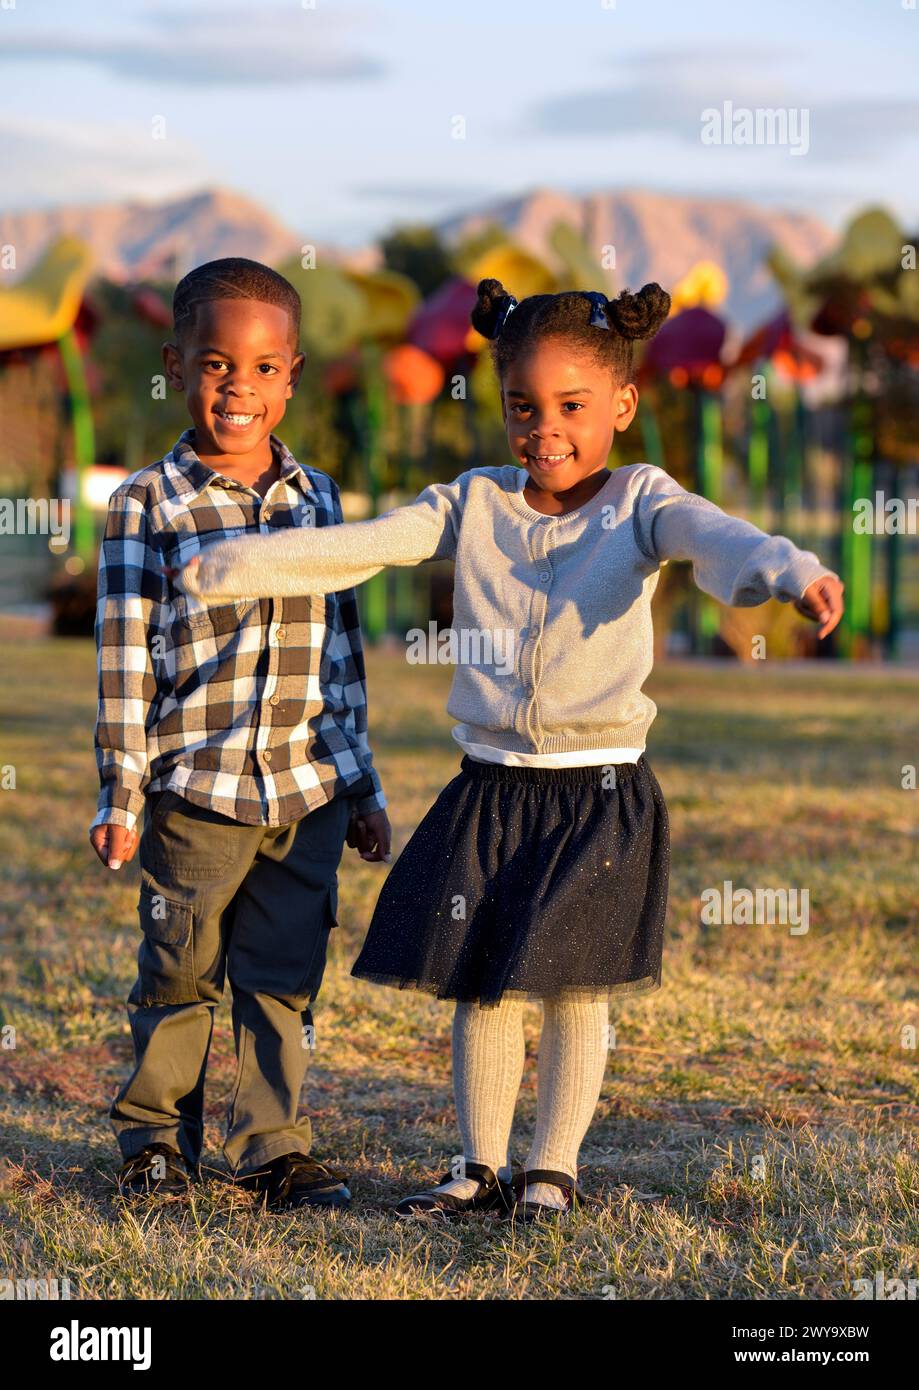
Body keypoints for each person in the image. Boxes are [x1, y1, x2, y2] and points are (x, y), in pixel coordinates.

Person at [178, 277, 844, 1223]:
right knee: (481, 985)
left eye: (571, 407)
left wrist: (790, 571)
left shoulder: (641, 502)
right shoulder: (474, 502)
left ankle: (551, 1171)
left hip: (597, 790)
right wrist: (240, 564)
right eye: (521, 408)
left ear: (621, 403)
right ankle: (478, 1166)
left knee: (574, 987)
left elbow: (714, 538)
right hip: (492, 786)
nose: (544, 430)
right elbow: (366, 545)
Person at [89, 257, 391, 1211]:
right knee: (178, 967)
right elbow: (125, 657)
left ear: (292, 375)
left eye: (263, 369)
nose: (240, 388)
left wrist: (364, 786)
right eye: (217, 364)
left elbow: (341, 652)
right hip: (195, 795)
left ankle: (272, 1147)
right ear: (177, 365)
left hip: (306, 794)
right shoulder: (148, 504)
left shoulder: (321, 503)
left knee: (283, 977)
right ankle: (153, 1140)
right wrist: (121, 793)